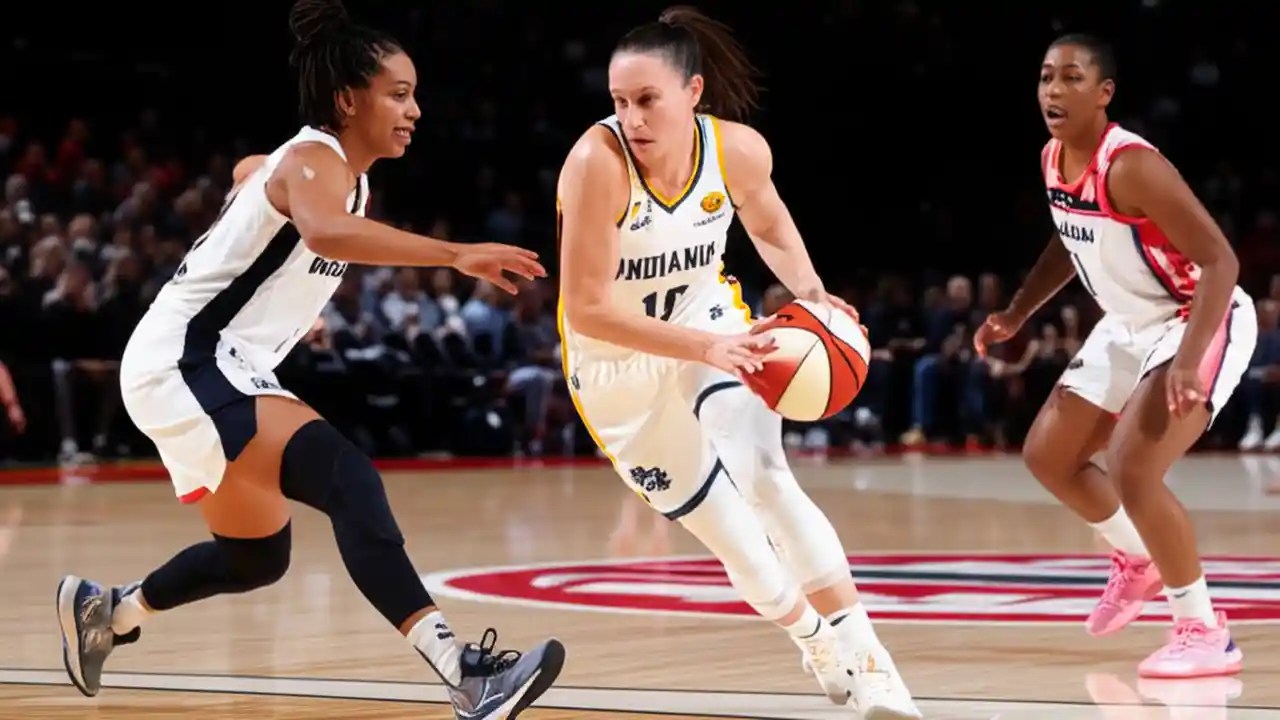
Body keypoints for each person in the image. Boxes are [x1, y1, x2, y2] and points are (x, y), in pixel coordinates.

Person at [56, 2, 566, 717]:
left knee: (257, 557)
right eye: (397, 94)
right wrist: (456, 254)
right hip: (189, 359)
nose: (414, 109)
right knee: (348, 478)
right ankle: (465, 672)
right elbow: (325, 233)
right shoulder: (314, 161)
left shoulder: (328, 172)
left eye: (414, 94)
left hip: (213, 364)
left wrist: (263, 231)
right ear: (346, 99)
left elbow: (255, 175)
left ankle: (108, 614)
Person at [555, 6, 920, 717]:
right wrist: (703, 348)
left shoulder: (739, 150)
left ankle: (874, 665)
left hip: (706, 316)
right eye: (619, 102)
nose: (630, 117)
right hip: (614, 366)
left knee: (766, 476)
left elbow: (769, 220)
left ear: (692, 93)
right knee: (739, 548)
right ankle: (810, 636)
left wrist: (815, 298)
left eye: (647, 99)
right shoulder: (594, 166)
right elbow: (588, 309)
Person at [975, 33, 1256, 678]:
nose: (1053, 90)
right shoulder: (1053, 158)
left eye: (1072, 78)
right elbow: (1068, 239)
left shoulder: (1131, 166)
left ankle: (1206, 631)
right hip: (1130, 321)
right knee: (1050, 455)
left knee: (1133, 466)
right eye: (1046, 77)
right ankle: (1138, 560)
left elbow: (1220, 260)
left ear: (1104, 94)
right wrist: (1019, 311)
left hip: (1196, 315)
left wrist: (1188, 362)